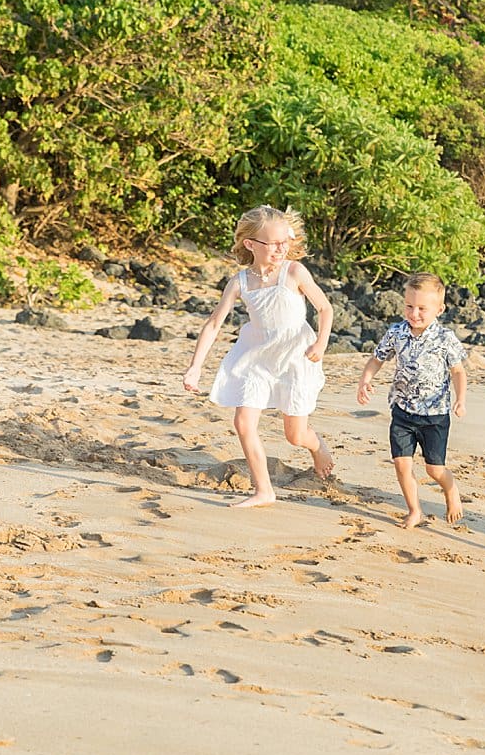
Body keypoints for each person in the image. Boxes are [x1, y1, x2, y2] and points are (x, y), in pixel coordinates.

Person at [183, 205, 334, 507]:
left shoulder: (294, 271)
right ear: (250, 244)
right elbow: (214, 324)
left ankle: (318, 448)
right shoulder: (240, 282)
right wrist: (195, 367)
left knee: (296, 434)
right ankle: (264, 490)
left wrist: (321, 343)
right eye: (273, 243)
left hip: (295, 356)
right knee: (243, 423)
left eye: (285, 242)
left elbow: (325, 309)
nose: (281, 249)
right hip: (256, 357)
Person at [356, 273, 468, 530]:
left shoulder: (445, 338)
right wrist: (365, 380)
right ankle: (414, 510)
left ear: (439, 309)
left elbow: (458, 371)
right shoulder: (396, 332)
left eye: (421, 308)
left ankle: (451, 490)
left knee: (434, 470)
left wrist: (460, 399)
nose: (414, 313)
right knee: (402, 464)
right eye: (409, 306)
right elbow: (377, 358)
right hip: (403, 412)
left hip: (435, 416)